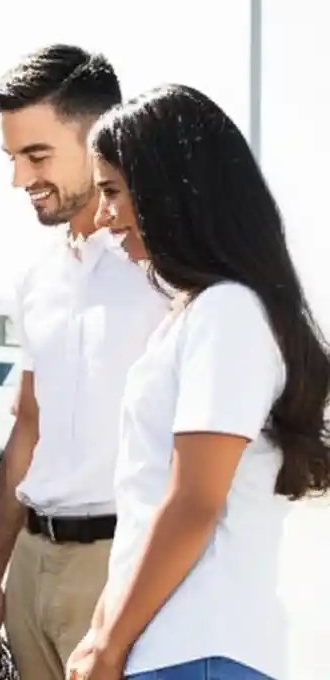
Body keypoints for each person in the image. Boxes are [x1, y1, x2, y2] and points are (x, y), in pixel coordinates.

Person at [64, 84, 330, 680]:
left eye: (111, 192)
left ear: (167, 192)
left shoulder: (228, 313)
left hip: (199, 652)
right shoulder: (200, 313)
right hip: (179, 650)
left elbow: (193, 503)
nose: (103, 218)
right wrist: (103, 634)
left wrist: (109, 646)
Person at [0, 44, 170, 680]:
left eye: (37, 155)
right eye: (12, 158)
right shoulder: (37, 277)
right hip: (32, 567)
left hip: (120, 570)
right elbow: (28, 428)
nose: (20, 178)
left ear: (100, 139)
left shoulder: (165, 271)